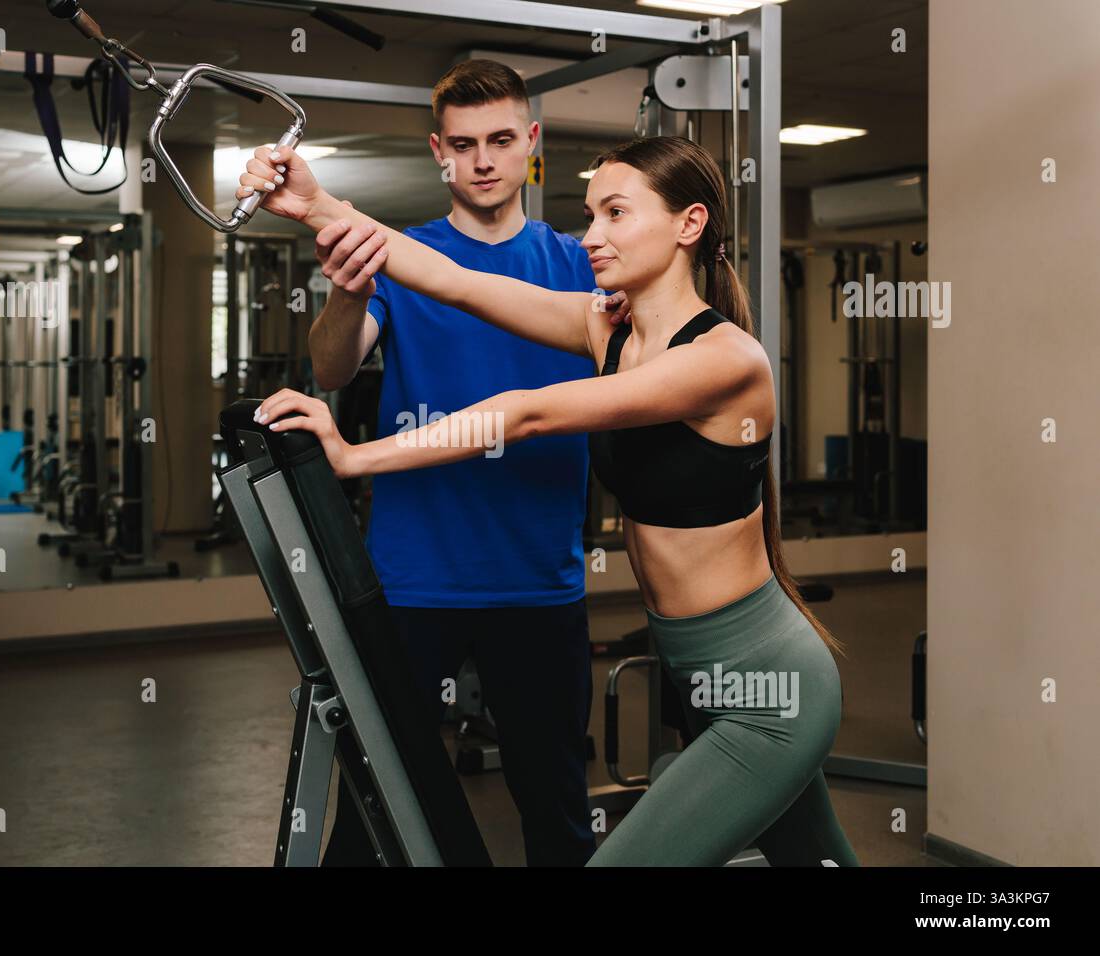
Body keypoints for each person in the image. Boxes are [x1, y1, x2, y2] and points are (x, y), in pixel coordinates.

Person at [238, 133, 861, 866]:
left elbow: (528, 412)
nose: (592, 235)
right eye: (591, 214)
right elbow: (453, 280)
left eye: (617, 214)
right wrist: (316, 206)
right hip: (701, 676)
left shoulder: (725, 358)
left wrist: (354, 455)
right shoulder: (607, 328)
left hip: (770, 693)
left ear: (689, 224)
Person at [296, 60, 630, 867]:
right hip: (415, 579)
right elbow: (333, 370)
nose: (483, 160)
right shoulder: (401, 257)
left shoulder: (577, 262)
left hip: (538, 580)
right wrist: (346, 291)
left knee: (555, 807)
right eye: (464, 144)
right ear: (438, 152)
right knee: (375, 809)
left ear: (532, 145)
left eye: (501, 140)